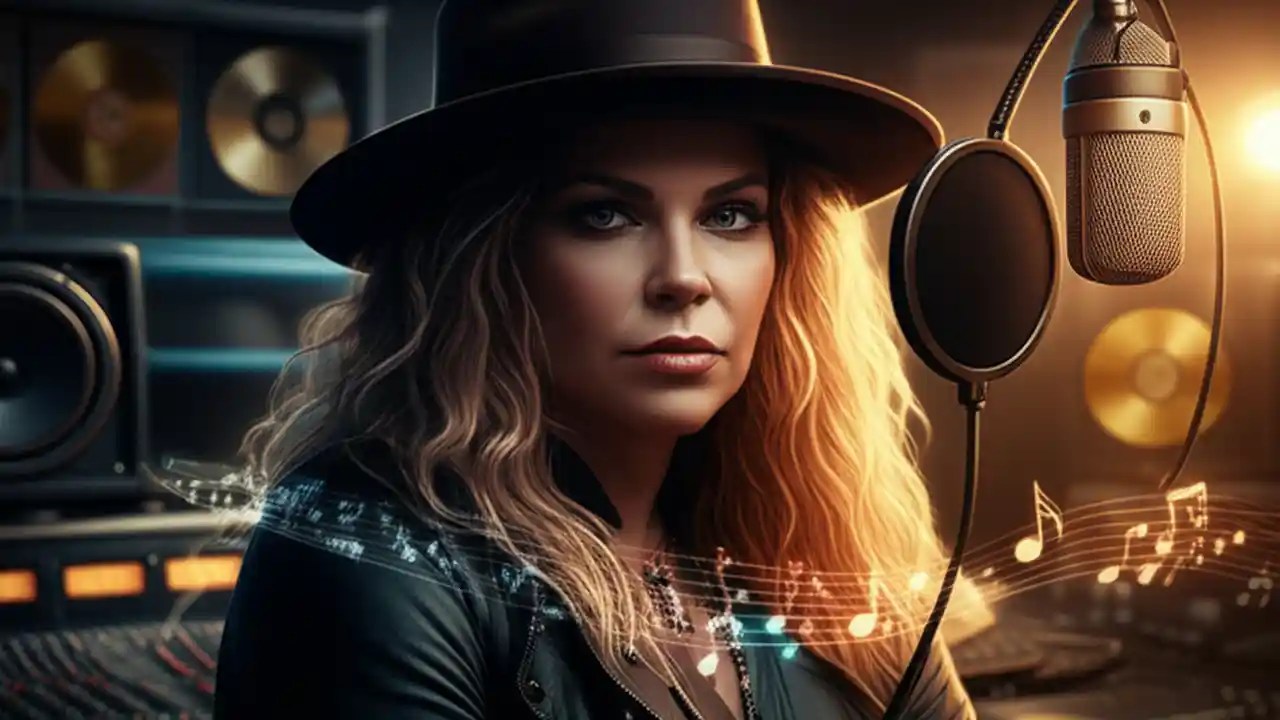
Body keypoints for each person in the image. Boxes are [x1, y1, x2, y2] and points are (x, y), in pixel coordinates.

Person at [212, 1, 986, 718]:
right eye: (605, 214)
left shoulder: (815, 538)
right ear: (482, 258)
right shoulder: (373, 548)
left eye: (730, 214)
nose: (684, 276)